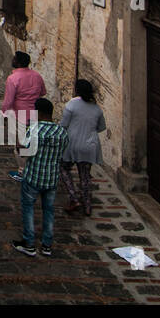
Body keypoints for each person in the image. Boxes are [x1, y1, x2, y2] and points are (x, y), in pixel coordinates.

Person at [12, 97, 69, 258]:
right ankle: (46, 245)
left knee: (28, 209)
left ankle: (29, 244)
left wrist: (18, 145)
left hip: (33, 177)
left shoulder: (35, 129)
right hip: (51, 178)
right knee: (49, 211)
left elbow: (25, 151)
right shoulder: (61, 132)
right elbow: (63, 152)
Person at [59, 79, 106, 216]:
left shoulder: (72, 104)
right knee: (85, 176)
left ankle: (73, 197)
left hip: (73, 143)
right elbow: (101, 127)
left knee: (63, 168)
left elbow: (64, 124)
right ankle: (87, 205)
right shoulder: (97, 109)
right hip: (90, 145)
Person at [2, 51, 46, 179]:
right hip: (36, 114)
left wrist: (4, 114)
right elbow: (43, 92)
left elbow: (8, 100)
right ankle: (33, 169)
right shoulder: (37, 76)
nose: (12, 60)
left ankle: (22, 171)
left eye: (14, 59)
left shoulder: (13, 78)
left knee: (20, 145)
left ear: (18, 62)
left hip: (20, 115)